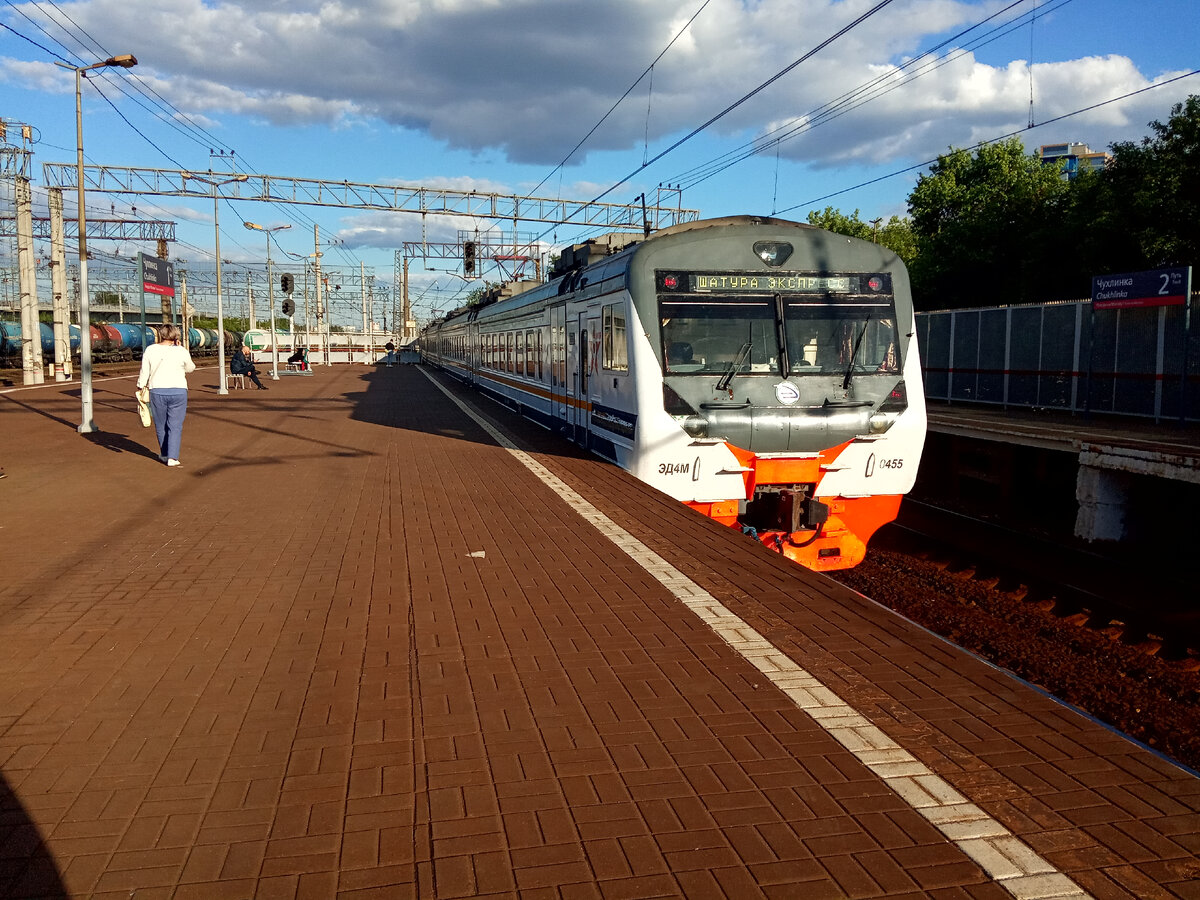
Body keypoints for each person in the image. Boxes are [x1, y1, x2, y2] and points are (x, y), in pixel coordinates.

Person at [136, 325, 195, 467]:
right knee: (175, 425)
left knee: (161, 424)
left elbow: (145, 371)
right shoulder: (181, 351)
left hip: (157, 390)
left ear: (160, 335)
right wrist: (180, 349)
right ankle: (173, 458)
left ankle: (164, 454)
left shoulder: (150, 350)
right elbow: (190, 368)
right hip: (178, 390)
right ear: (176, 337)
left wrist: (140, 385)